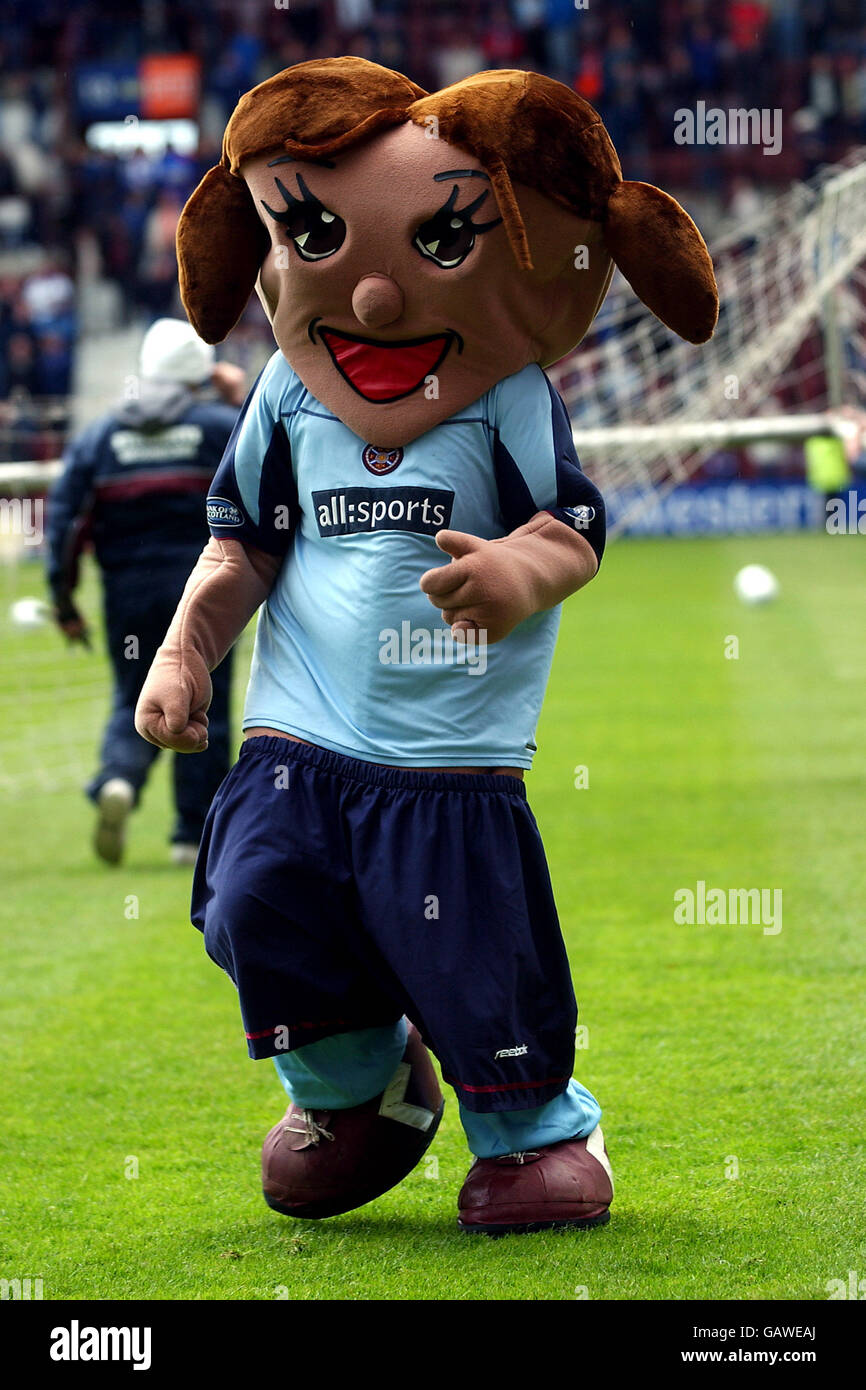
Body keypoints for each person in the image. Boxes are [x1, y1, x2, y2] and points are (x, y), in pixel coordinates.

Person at [135, 57, 718, 1233]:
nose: (378, 303)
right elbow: (240, 543)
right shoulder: (286, 399)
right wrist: (186, 649)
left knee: (474, 965)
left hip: (449, 757)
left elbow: (575, 528)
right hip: (297, 735)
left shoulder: (505, 395)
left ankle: (536, 1129)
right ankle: (357, 1091)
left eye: (439, 251)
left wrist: (517, 570)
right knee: (251, 900)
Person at [46, 318, 246, 865]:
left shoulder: (100, 435)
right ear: (199, 371)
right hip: (207, 591)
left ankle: (120, 780)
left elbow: (63, 522)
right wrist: (240, 397)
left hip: (126, 591)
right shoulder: (223, 427)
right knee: (206, 701)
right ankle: (190, 835)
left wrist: (63, 602)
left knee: (133, 692)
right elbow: (277, 458)